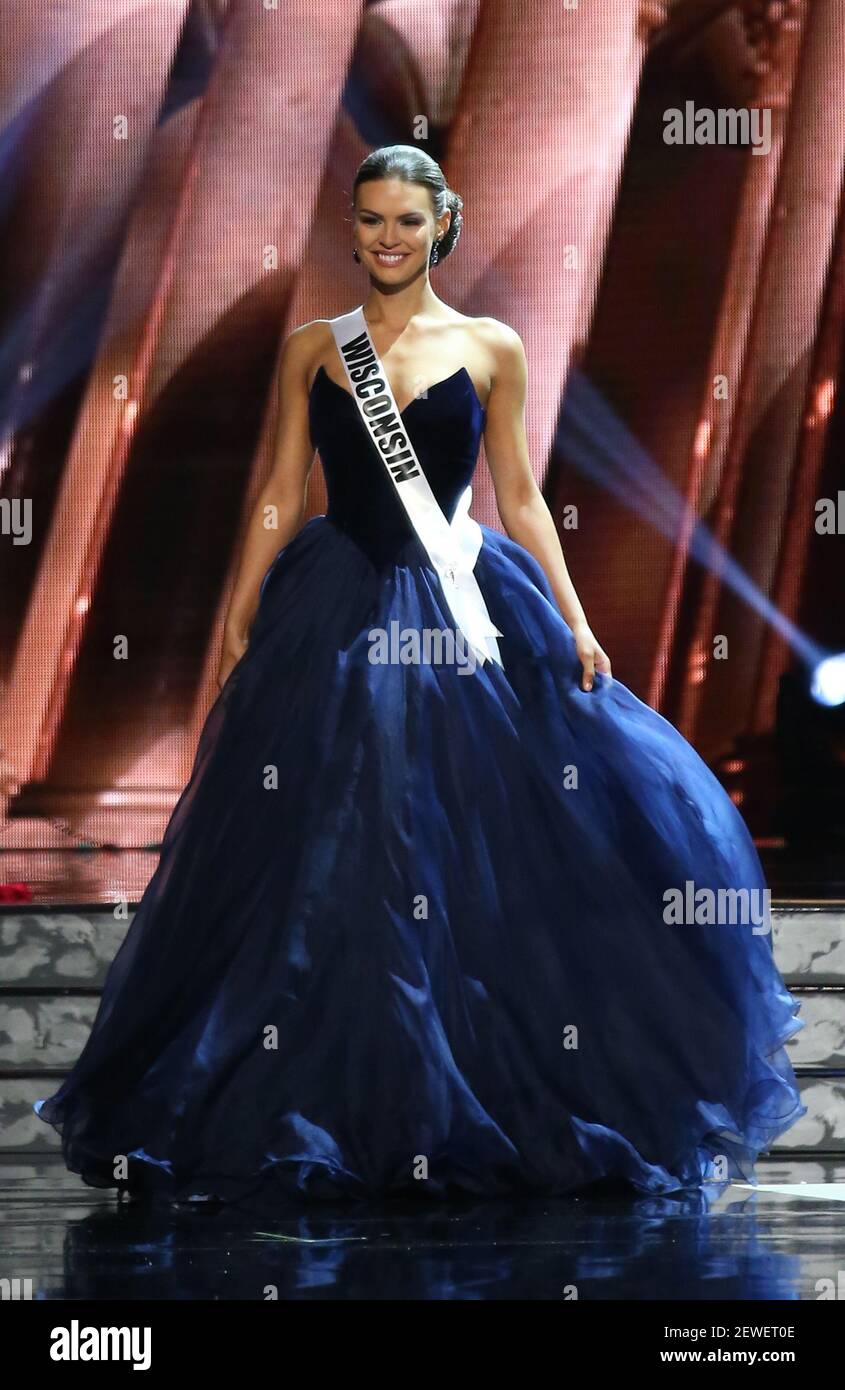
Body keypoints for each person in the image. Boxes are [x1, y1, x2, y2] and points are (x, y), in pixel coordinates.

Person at [34, 144, 805, 1205]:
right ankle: (318, 1100)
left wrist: (576, 621)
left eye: (407, 220)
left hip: (457, 600)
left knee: (454, 841)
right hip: (334, 605)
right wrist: (243, 602)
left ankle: (463, 1093)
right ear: (351, 228)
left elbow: (522, 498)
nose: (386, 238)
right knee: (327, 845)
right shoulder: (317, 346)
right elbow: (277, 486)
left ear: (441, 227)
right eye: (370, 220)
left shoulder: (491, 347)